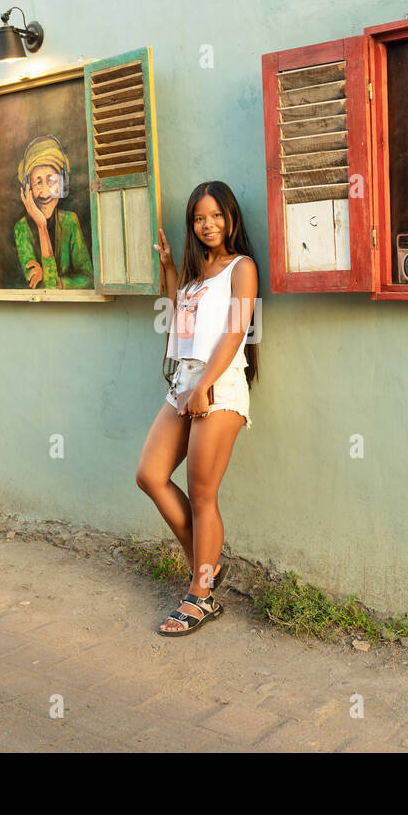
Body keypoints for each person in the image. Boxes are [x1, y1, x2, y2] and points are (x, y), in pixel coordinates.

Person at [135, 180, 260, 637]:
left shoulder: (240, 267)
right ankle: (205, 568)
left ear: (230, 218)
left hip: (218, 387)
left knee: (203, 494)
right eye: (199, 218)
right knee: (150, 474)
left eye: (216, 216)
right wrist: (169, 267)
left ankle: (200, 596)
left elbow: (234, 332)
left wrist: (204, 386)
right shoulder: (194, 274)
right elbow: (176, 318)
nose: (208, 225)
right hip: (182, 385)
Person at [11, 135, 94, 289]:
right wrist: (42, 227)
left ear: (62, 183)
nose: (44, 193)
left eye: (51, 181)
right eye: (38, 183)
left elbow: (88, 279)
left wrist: (55, 280)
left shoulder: (70, 221)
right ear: (28, 188)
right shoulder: (21, 229)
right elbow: (44, 287)